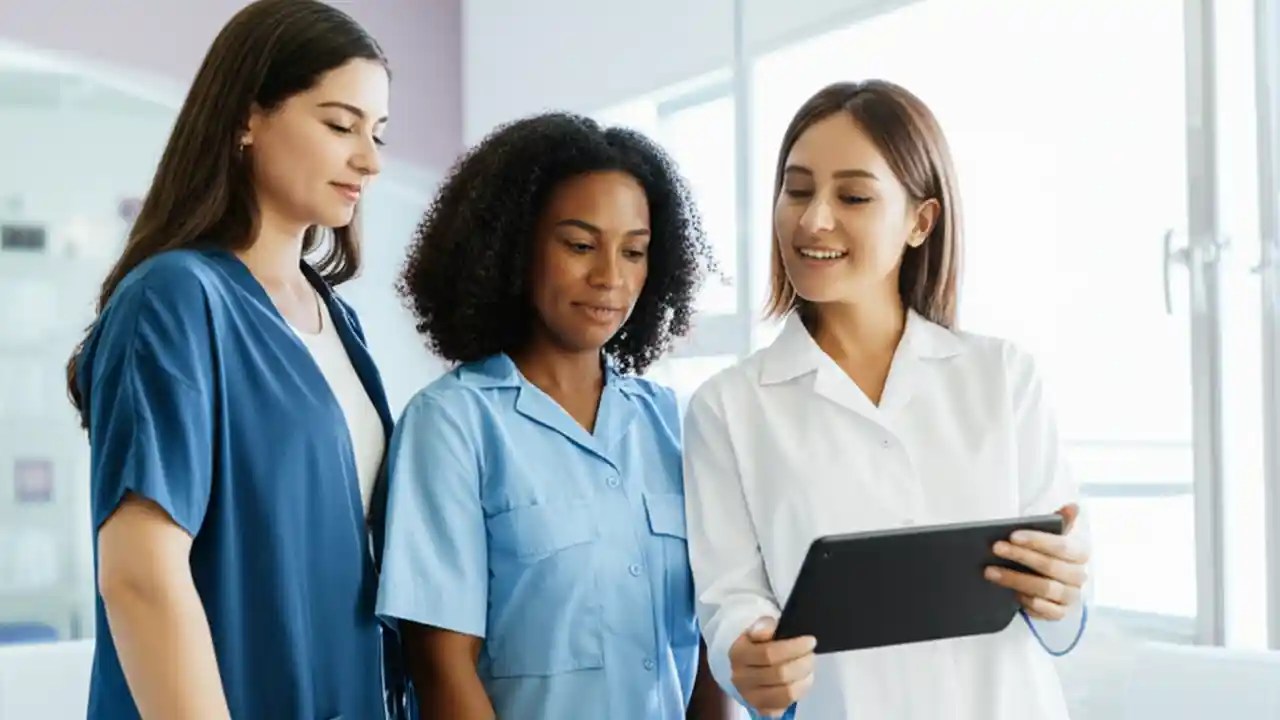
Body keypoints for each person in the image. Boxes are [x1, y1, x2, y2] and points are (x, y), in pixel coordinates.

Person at [681, 80, 1091, 720]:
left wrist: (1061, 591)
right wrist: (749, 656)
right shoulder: (726, 408)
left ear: (919, 222)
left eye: (853, 196)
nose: (813, 219)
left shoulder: (1003, 376)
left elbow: (1060, 608)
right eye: (796, 189)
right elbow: (732, 603)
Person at [66, 1, 409, 717]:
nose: (370, 160)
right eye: (340, 125)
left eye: (377, 134)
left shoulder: (338, 321)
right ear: (247, 118)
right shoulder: (174, 298)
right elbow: (139, 576)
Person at [376, 112, 732, 719]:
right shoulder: (453, 425)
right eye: (580, 245)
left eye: (635, 251)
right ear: (515, 248)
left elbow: (711, 646)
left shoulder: (673, 424)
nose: (610, 278)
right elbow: (441, 668)